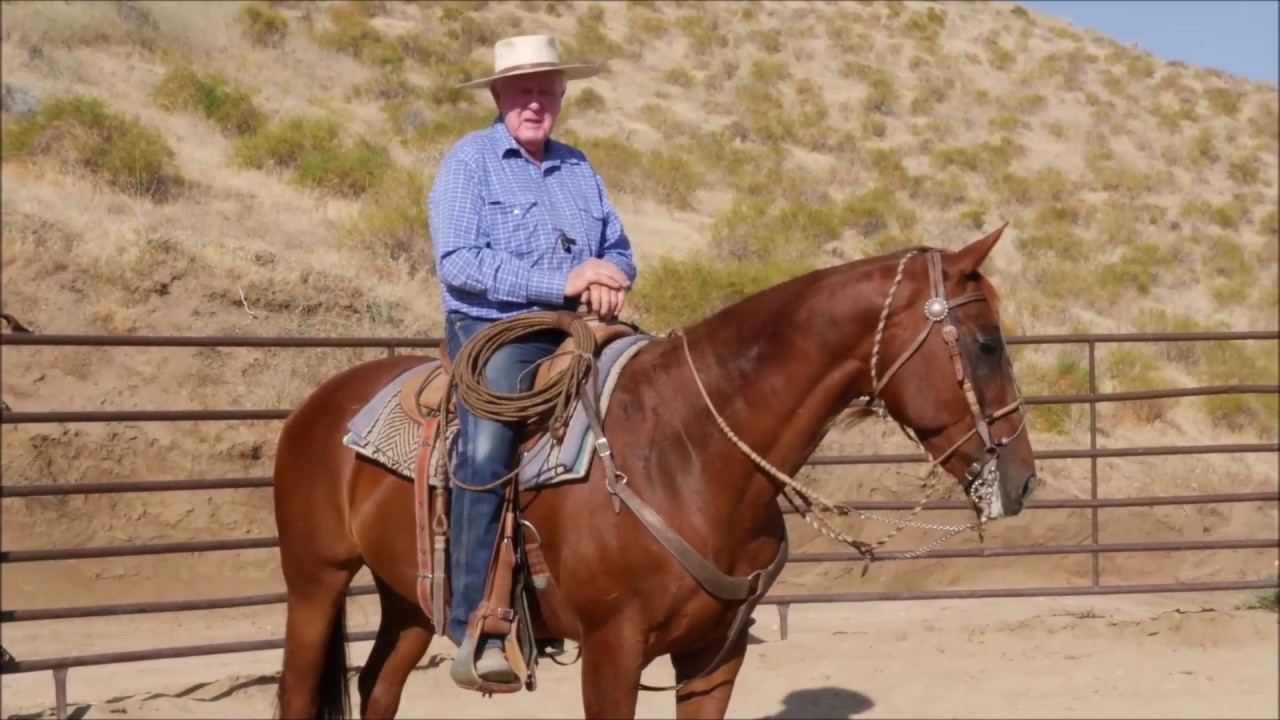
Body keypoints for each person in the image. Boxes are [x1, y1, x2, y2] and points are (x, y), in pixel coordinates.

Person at [427, 34, 639, 685]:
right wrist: (566, 282)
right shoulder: (469, 164)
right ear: (497, 96)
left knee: (652, 403)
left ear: (561, 96)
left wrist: (610, 275)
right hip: (494, 331)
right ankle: (474, 620)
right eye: (523, 91)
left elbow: (619, 250)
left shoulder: (578, 169)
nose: (536, 103)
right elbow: (460, 263)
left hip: (580, 328)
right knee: (487, 446)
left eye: (547, 91)